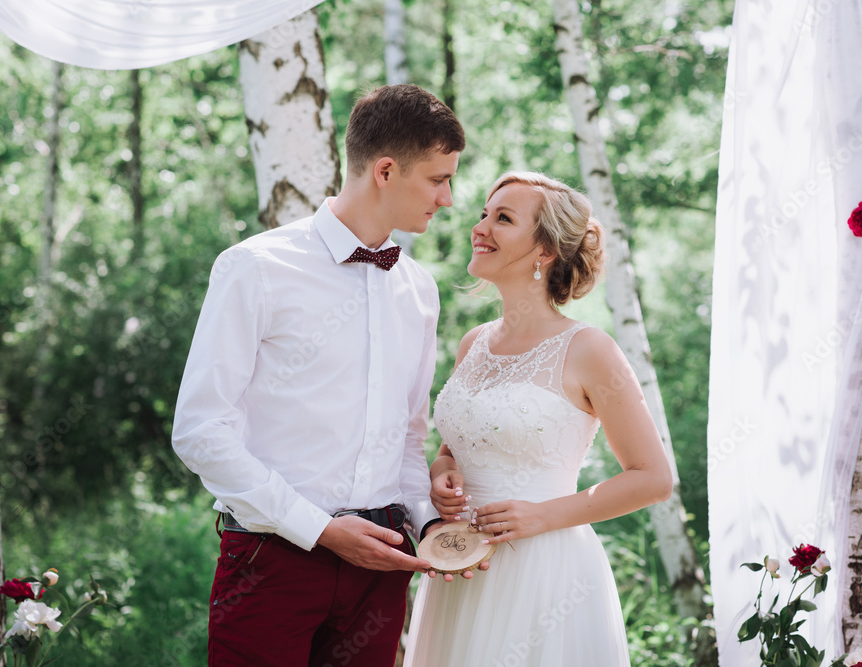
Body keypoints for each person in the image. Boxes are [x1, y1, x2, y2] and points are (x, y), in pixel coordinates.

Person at [171, 84, 465, 666]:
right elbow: (200, 431)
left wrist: (430, 524)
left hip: (382, 563)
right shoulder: (254, 267)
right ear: (385, 171)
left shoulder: (418, 289)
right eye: (438, 179)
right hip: (273, 559)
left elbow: (408, 438)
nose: (448, 199)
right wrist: (320, 530)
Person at [403, 171, 673, 666]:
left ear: (545, 250)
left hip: (544, 574)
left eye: (503, 218)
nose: (480, 227)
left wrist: (543, 515)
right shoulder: (474, 343)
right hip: (461, 566)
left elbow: (653, 479)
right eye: (484, 214)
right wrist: (442, 473)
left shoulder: (590, 350)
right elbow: (451, 449)